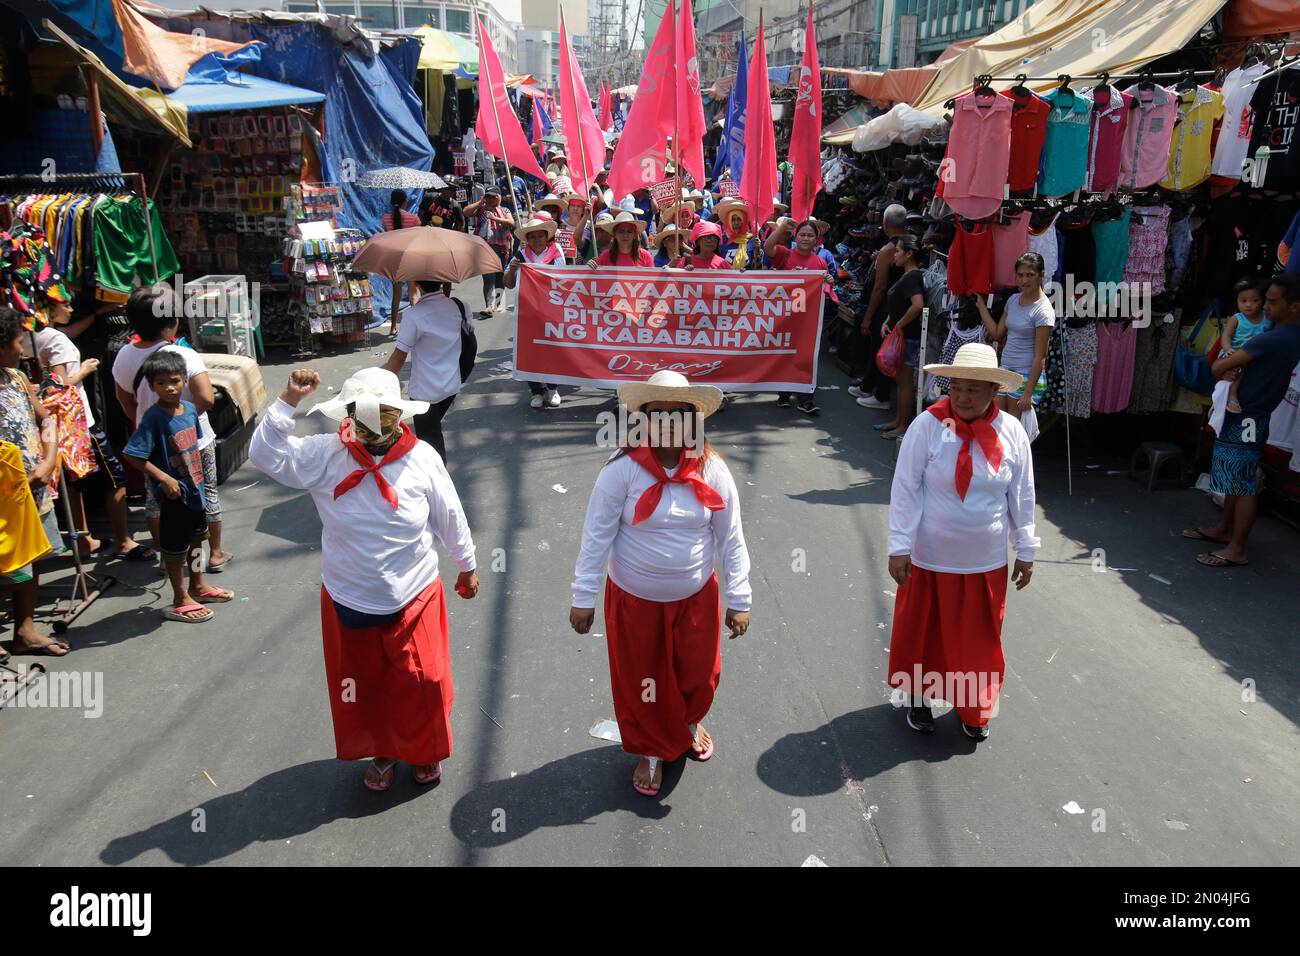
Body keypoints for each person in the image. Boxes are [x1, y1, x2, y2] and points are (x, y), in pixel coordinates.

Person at [249, 367, 479, 791]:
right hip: (349, 596)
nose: (373, 428)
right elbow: (265, 455)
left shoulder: (422, 458)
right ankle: (384, 751)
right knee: (365, 685)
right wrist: (287, 401)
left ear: (399, 416)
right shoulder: (324, 454)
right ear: (349, 416)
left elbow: (449, 514)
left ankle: (423, 750)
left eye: (382, 416)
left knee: (422, 678)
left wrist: (467, 563)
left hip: (415, 591)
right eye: (363, 416)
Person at [569, 370, 751, 796]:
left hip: (696, 599)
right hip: (635, 601)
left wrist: (740, 597)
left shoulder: (713, 469)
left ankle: (687, 722)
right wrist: (583, 596)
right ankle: (651, 750)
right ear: (645, 420)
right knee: (644, 682)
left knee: (698, 675)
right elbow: (596, 535)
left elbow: (731, 538)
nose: (669, 422)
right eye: (659, 413)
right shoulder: (620, 471)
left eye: (679, 413)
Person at [886, 343, 1039, 741]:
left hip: (984, 562)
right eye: (956, 387)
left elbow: (1022, 495)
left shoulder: (1012, 433)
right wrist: (899, 546)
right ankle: (920, 698)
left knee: (977, 639)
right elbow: (905, 488)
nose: (963, 396)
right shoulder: (927, 426)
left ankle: (973, 707)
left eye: (974, 389)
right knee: (925, 633)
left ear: (993, 391)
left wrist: (1026, 549)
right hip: (929, 557)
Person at [111, 285, 231, 573]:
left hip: (153, 446)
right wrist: (179, 424)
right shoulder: (183, 355)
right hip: (194, 441)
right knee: (205, 494)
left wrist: (150, 426)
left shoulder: (124, 355)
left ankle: (168, 557)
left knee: (157, 501)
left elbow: (124, 400)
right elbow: (205, 397)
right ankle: (213, 554)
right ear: (173, 320)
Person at [1184, 274, 1300, 567]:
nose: (1266, 307)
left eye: (1272, 303)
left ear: (1294, 306)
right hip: (1253, 411)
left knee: (1244, 482)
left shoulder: (1272, 338)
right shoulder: (1286, 336)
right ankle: (1224, 530)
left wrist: (1225, 368)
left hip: (1249, 413)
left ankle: (1236, 548)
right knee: (1237, 479)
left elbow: (1220, 366)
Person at [121, 350, 233, 623]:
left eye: (174, 380)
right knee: (174, 549)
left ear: (185, 379)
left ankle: (198, 585)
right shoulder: (153, 417)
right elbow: (133, 454)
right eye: (160, 383)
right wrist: (165, 478)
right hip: (173, 497)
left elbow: (191, 447)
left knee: (197, 541)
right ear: (151, 386)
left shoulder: (191, 409)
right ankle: (180, 597)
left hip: (195, 492)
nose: (169, 388)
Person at [34, 322, 151, 563]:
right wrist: (85, 370)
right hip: (79, 424)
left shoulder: (32, 336)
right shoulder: (55, 340)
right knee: (115, 479)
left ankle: (85, 541)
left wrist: (96, 314)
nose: (69, 305)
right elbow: (61, 387)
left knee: (74, 484)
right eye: (63, 301)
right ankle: (124, 541)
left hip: (51, 428)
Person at [0, 309, 67, 657]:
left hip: (34, 490)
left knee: (33, 557)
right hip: (3, 499)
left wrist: (49, 459)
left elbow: (46, 422)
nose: (23, 348)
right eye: (16, 341)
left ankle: (24, 631)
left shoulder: (17, 379)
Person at [384, 281, 466, 462]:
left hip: (425, 392)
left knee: (431, 445)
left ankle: (437, 481)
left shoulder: (413, 315)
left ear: (416, 282)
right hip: (452, 384)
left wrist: (379, 380)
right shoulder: (459, 306)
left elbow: (399, 356)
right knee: (432, 434)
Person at [764, 218, 833, 416]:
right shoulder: (785, 254)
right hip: (785, 317)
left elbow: (825, 289)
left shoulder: (820, 262)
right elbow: (769, 248)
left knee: (806, 357)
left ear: (816, 239)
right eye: (802, 234)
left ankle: (805, 399)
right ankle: (784, 394)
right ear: (796, 236)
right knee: (785, 355)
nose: (805, 238)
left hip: (807, 320)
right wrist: (781, 229)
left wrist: (828, 280)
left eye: (810, 235)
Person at [974, 252, 1055, 415]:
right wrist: (982, 307)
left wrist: (1028, 393)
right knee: (997, 424)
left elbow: (1041, 357)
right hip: (1005, 371)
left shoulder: (1043, 310)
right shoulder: (1013, 300)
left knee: (1014, 432)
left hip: (1025, 376)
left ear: (1041, 275)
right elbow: (997, 333)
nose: (1024, 280)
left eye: (1030, 275)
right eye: (1020, 275)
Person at [850, 203, 909, 411]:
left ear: (885, 224)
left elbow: (880, 286)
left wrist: (868, 316)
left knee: (880, 347)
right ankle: (868, 385)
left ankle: (881, 394)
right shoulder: (904, 245)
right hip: (899, 304)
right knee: (881, 347)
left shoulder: (889, 249)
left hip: (887, 306)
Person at [503, 214, 564, 409]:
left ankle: (553, 389)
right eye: (532, 236)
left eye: (540, 236)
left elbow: (564, 282)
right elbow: (508, 284)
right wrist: (512, 270)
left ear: (546, 237)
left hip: (551, 313)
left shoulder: (556, 256)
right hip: (527, 313)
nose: (536, 239)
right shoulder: (519, 257)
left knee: (552, 351)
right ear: (527, 239)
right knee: (530, 352)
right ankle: (536, 391)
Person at [874, 235, 928, 439]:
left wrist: (898, 325)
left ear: (909, 253)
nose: (894, 254)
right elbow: (901, 304)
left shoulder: (913, 276)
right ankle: (898, 421)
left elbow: (917, 305)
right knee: (900, 380)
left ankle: (903, 425)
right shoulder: (906, 275)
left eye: (898, 251)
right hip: (902, 335)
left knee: (905, 381)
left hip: (909, 338)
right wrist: (888, 321)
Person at [1218, 279, 1271, 414]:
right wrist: (1227, 348)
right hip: (1234, 352)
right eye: (1244, 301)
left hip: (1255, 354)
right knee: (1240, 364)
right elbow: (1226, 336)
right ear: (1237, 301)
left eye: (1255, 301)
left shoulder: (1267, 319)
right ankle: (1232, 395)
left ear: (1262, 301)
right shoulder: (1236, 318)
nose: (1249, 305)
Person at [464, 187, 514, 316]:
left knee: (499, 278)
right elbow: (466, 212)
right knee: (488, 278)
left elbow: (511, 222)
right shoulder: (481, 210)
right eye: (488, 196)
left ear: (498, 197)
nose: (490, 199)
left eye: (493, 197)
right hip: (485, 248)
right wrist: (480, 202)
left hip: (501, 249)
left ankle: (497, 303)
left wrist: (494, 218)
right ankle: (488, 306)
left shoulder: (505, 210)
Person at [382, 189, 422, 336]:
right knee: (413, 293)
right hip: (410, 258)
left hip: (394, 260)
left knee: (396, 295)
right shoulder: (414, 219)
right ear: (406, 202)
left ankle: (393, 327)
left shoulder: (386, 219)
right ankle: (417, 326)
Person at [587, 212, 653, 268]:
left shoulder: (646, 256)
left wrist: (663, 272)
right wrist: (589, 268)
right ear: (614, 234)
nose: (625, 235)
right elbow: (595, 279)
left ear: (635, 235)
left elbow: (653, 280)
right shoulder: (605, 256)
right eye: (621, 231)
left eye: (629, 231)